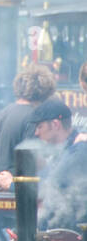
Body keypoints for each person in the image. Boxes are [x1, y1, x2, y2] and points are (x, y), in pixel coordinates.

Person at [27, 97, 87, 230]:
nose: (36, 133)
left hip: (73, 234)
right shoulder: (64, 151)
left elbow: (50, 185)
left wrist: (12, 184)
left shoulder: (79, 151)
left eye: (39, 126)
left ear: (55, 124)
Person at [0, 65, 58, 189]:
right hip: (20, 193)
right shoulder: (35, 119)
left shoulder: (0, 114)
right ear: (46, 91)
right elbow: (36, 160)